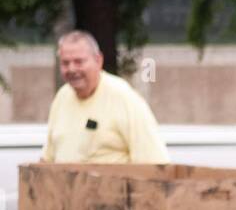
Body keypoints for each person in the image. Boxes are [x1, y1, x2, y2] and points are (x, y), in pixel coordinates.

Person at [42, 31, 168, 164]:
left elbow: (155, 164)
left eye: (79, 62)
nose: (72, 69)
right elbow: (47, 159)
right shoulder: (62, 97)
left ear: (98, 60)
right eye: (65, 63)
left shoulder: (124, 97)